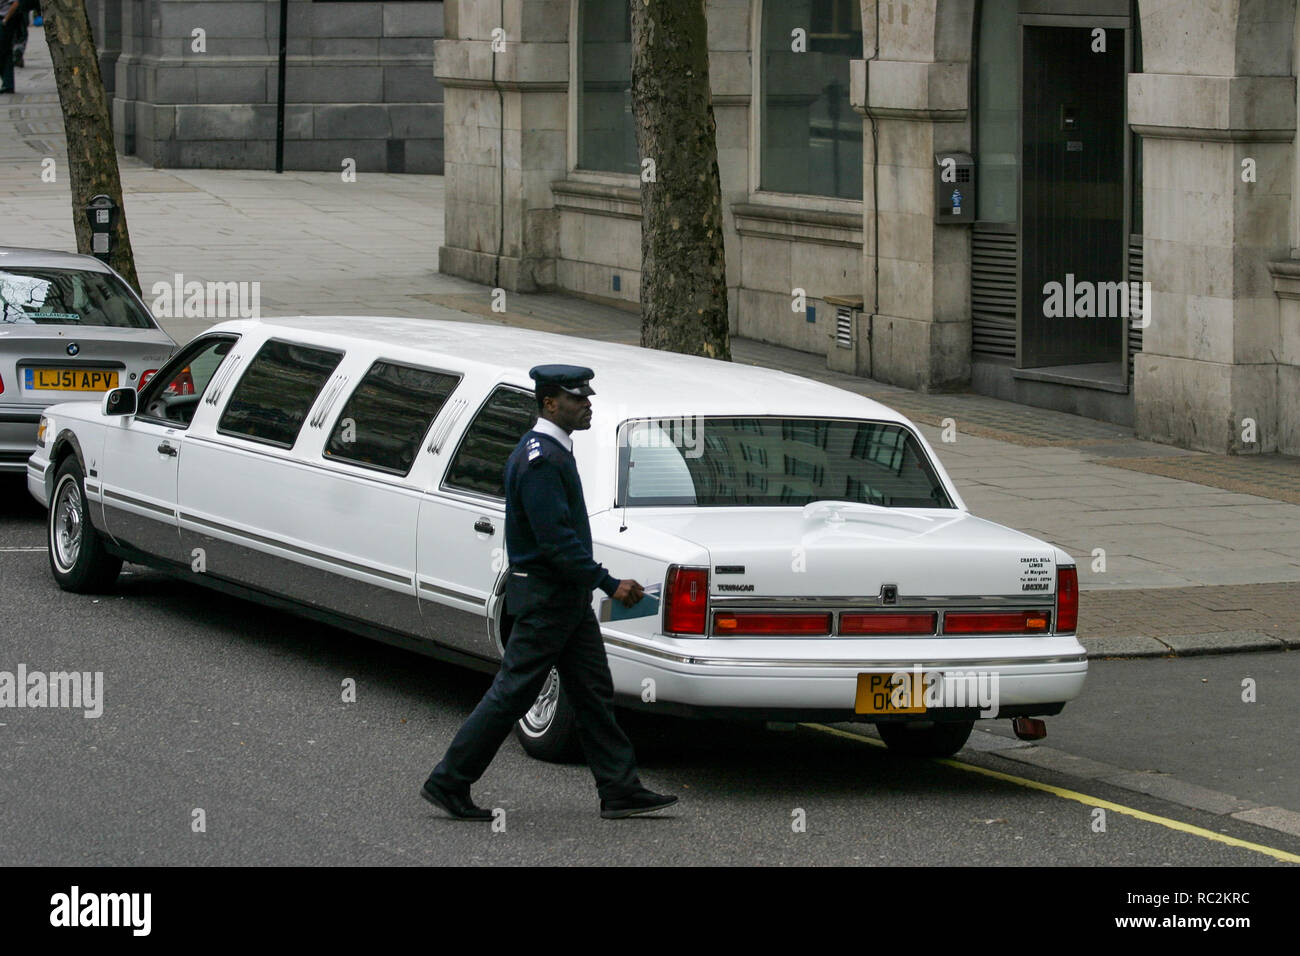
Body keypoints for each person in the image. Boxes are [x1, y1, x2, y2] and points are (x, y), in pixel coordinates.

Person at [421, 365, 678, 821]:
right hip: (546, 601)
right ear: (549, 404)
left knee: (594, 692)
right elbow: (556, 542)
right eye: (577, 399)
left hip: (564, 603)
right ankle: (449, 780)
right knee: (512, 694)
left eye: (587, 398)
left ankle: (619, 789)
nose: (587, 404)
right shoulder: (540, 460)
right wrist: (609, 584)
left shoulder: (554, 451)